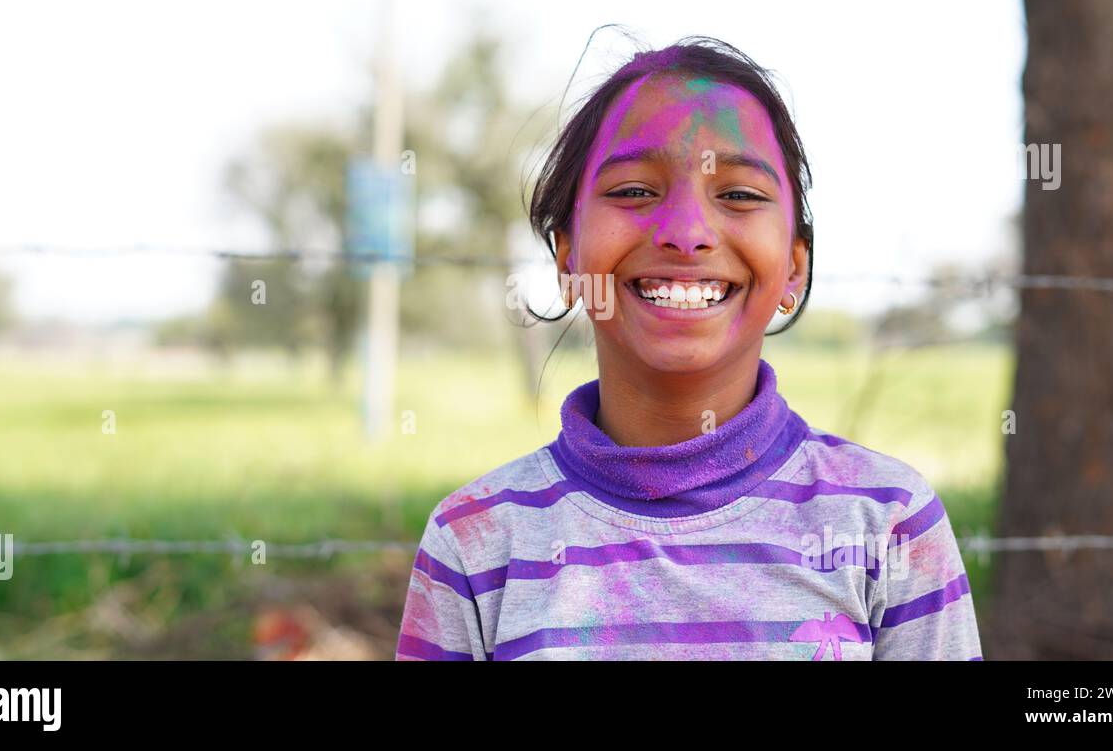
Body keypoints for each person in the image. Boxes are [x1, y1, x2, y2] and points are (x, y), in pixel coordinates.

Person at [396, 36, 982, 660]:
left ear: (792, 268)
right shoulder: (476, 543)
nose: (686, 234)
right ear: (568, 257)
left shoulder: (889, 525)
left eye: (739, 195)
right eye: (633, 192)